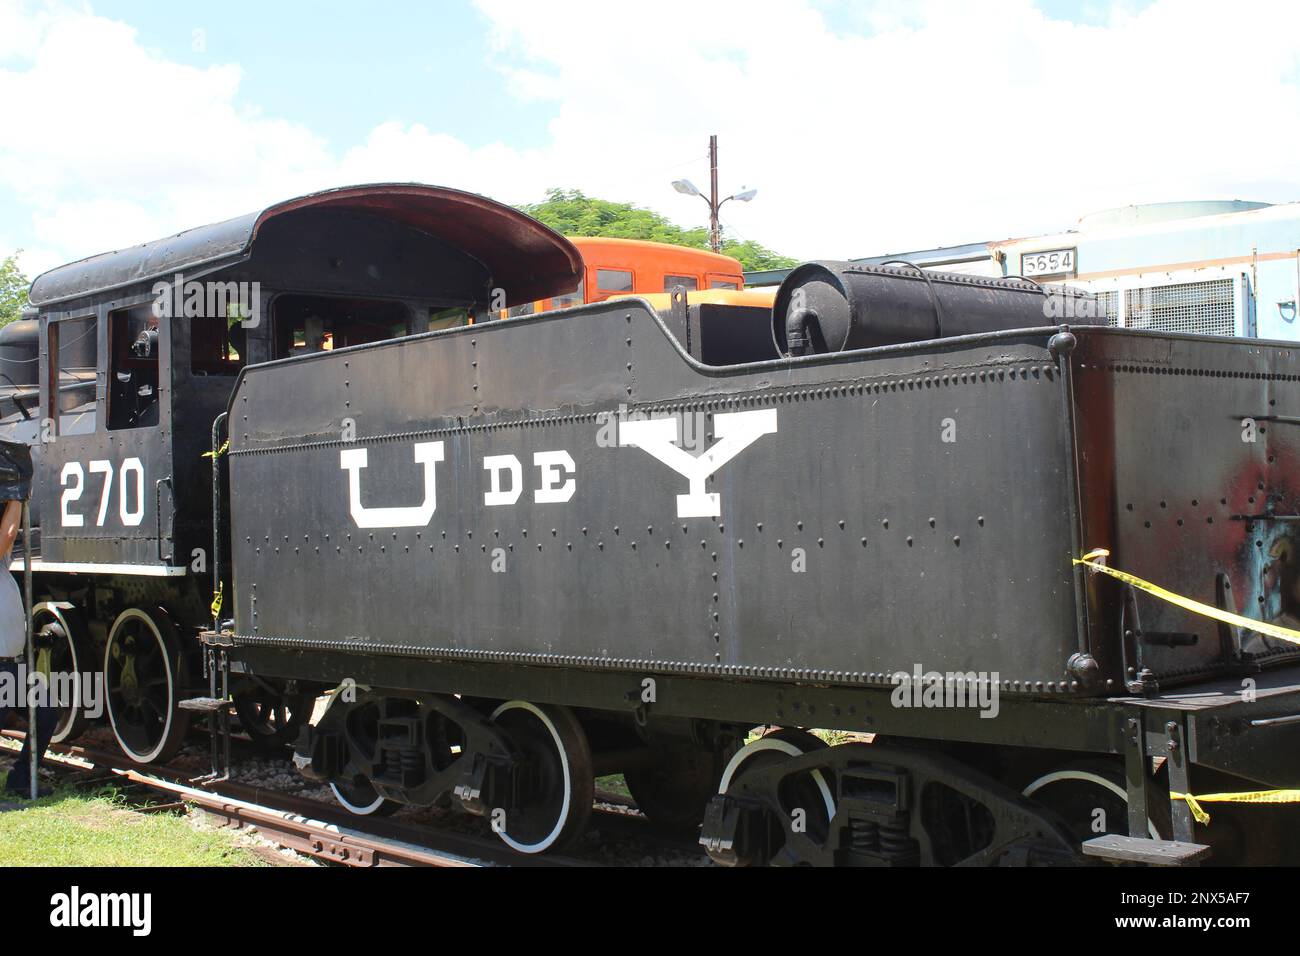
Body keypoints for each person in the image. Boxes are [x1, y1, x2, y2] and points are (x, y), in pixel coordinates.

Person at [0, 497, 55, 798]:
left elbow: (7, 541)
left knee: (45, 713)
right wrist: (17, 497)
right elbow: (8, 534)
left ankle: (21, 778)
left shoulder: (2, 564)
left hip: (13, 664)